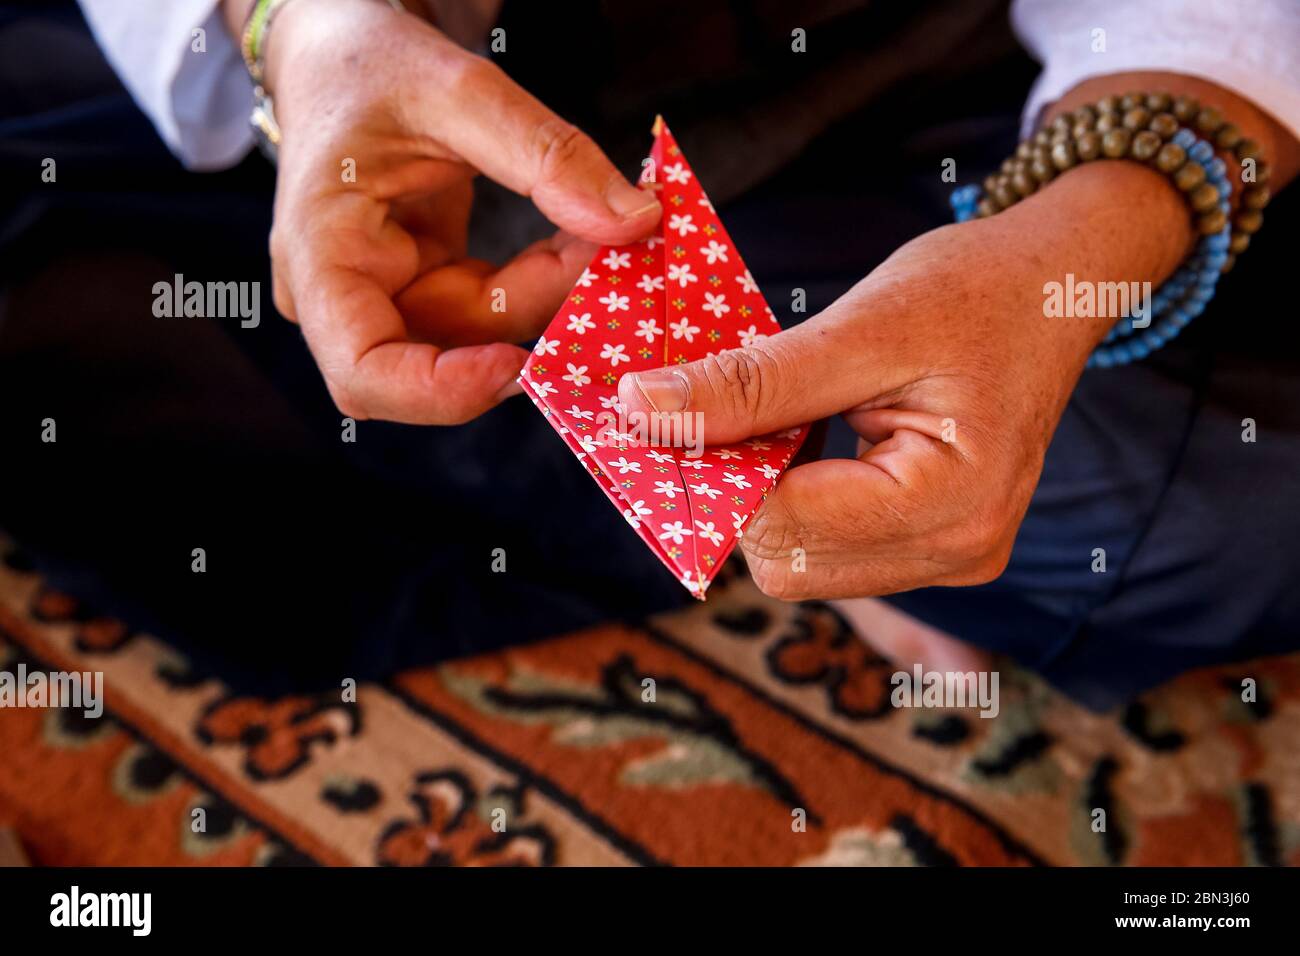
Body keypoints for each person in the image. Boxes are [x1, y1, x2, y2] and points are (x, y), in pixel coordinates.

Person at [4, 0, 1299, 707]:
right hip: (417, 103)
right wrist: (302, 31)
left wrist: (1097, 218)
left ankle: (682, 447)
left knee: (1225, 531)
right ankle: (701, 453)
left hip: (959, 103)